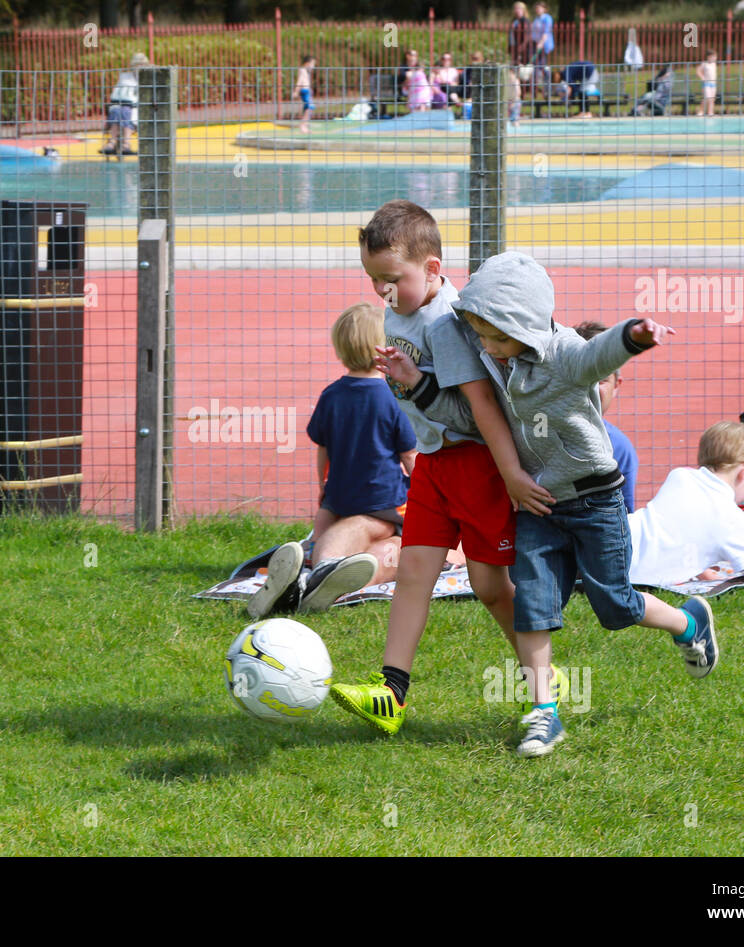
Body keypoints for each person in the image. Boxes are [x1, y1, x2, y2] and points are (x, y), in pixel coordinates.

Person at [454, 251, 719, 758]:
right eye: (481, 335)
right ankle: (543, 715)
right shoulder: (493, 354)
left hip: (596, 499)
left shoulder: (564, 355)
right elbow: (451, 326)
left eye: (496, 336)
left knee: (614, 606)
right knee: (530, 603)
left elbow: (599, 354)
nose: (487, 348)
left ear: (526, 325)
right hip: (540, 504)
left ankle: (689, 622)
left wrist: (633, 336)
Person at [327, 202, 561, 737]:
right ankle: (392, 694)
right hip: (434, 464)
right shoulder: (398, 309)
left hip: (475, 466)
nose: (382, 292)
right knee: (413, 574)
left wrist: (509, 474)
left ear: (433, 269)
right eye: (373, 280)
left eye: (391, 279)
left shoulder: (449, 324)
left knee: (489, 586)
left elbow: (483, 409)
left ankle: (543, 677)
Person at [248, 304, 416, 618]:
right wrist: (427, 492)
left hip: (338, 496)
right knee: (399, 544)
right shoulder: (393, 397)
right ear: (386, 348)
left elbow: (322, 448)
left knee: (324, 532)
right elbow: (408, 454)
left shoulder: (331, 395)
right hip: (384, 500)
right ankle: (328, 579)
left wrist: (323, 487)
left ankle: (309, 567)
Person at [629, 422, 744, 587]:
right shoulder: (731, 517)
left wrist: (700, 571)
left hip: (619, 538)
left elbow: (675, 534)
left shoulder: (679, 476)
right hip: (636, 574)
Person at [574, 320, 637, 512]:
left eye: (601, 380)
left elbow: (624, 518)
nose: (592, 388)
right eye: (583, 378)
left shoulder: (619, 448)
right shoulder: (535, 432)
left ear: (616, 386)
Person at [100, 52, 148, 155]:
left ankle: (125, 144)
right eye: (137, 64)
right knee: (117, 111)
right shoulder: (125, 77)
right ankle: (112, 143)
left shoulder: (147, 78)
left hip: (136, 108)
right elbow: (118, 93)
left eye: (142, 64)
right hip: (121, 104)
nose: (140, 66)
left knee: (125, 112)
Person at [529, 2, 555, 95]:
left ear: (544, 9)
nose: (537, 10)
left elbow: (546, 32)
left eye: (539, 8)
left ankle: (547, 89)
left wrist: (541, 43)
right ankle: (535, 90)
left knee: (542, 67)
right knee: (537, 67)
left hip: (544, 46)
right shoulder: (537, 18)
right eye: (536, 8)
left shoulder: (547, 18)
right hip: (536, 45)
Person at [292, 54, 315, 133]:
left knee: (307, 108)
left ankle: (304, 125)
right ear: (307, 63)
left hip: (307, 91)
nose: (313, 67)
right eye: (312, 64)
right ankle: (303, 125)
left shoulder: (305, 71)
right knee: (309, 107)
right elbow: (300, 81)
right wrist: (296, 91)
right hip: (305, 91)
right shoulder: (302, 70)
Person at [508, 2, 533, 67]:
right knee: (514, 65)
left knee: (523, 66)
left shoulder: (525, 21)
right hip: (514, 46)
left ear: (524, 10)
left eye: (519, 8)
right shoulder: (514, 20)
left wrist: (522, 46)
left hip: (523, 48)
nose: (517, 10)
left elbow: (528, 35)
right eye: (516, 8)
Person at [697, 49, 718, 117]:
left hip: (713, 83)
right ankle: (701, 111)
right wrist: (702, 78)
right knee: (706, 97)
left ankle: (710, 112)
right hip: (707, 83)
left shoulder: (714, 64)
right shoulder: (704, 63)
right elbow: (698, 71)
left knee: (712, 99)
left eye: (715, 56)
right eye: (713, 56)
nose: (715, 58)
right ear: (709, 57)